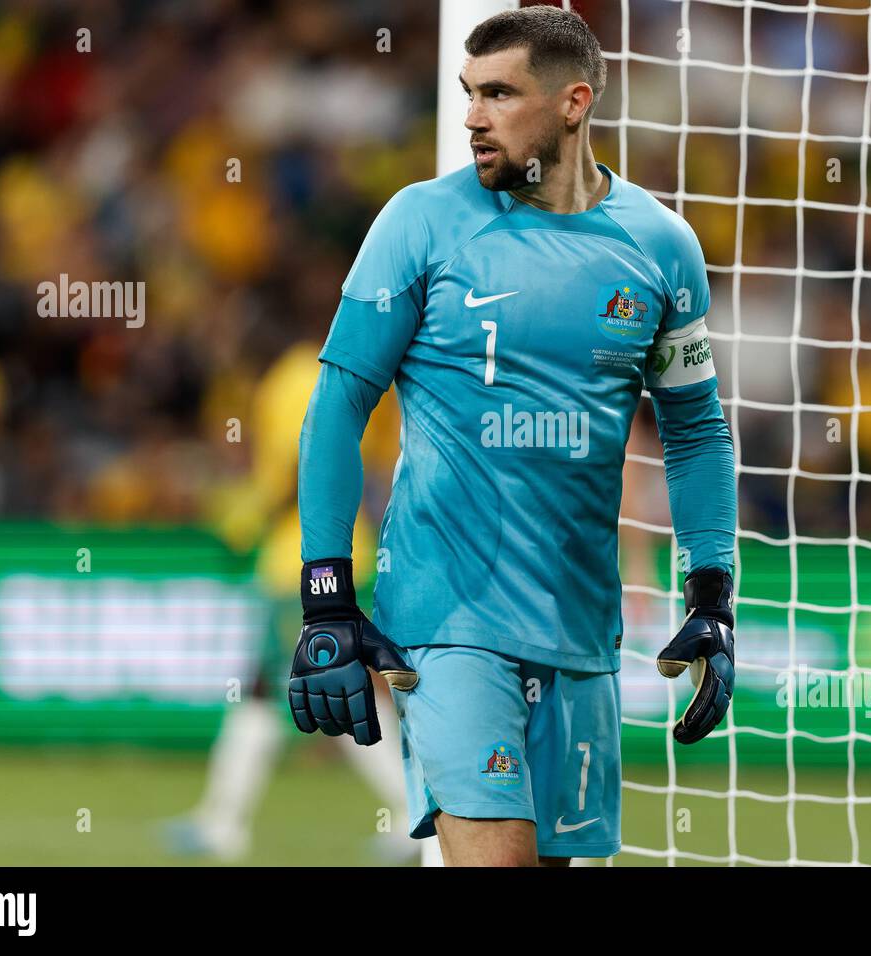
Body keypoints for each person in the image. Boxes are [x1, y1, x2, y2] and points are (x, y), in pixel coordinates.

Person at [288, 5, 737, 867]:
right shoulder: (418, 223)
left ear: (574, 103)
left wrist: (711, 594)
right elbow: (337, 408)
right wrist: (327, 596)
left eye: (498, 94)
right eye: (468, 93)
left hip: (579, 634)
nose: (471, 117)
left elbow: (695, 430)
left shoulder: (660, 247)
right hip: (448, 623)